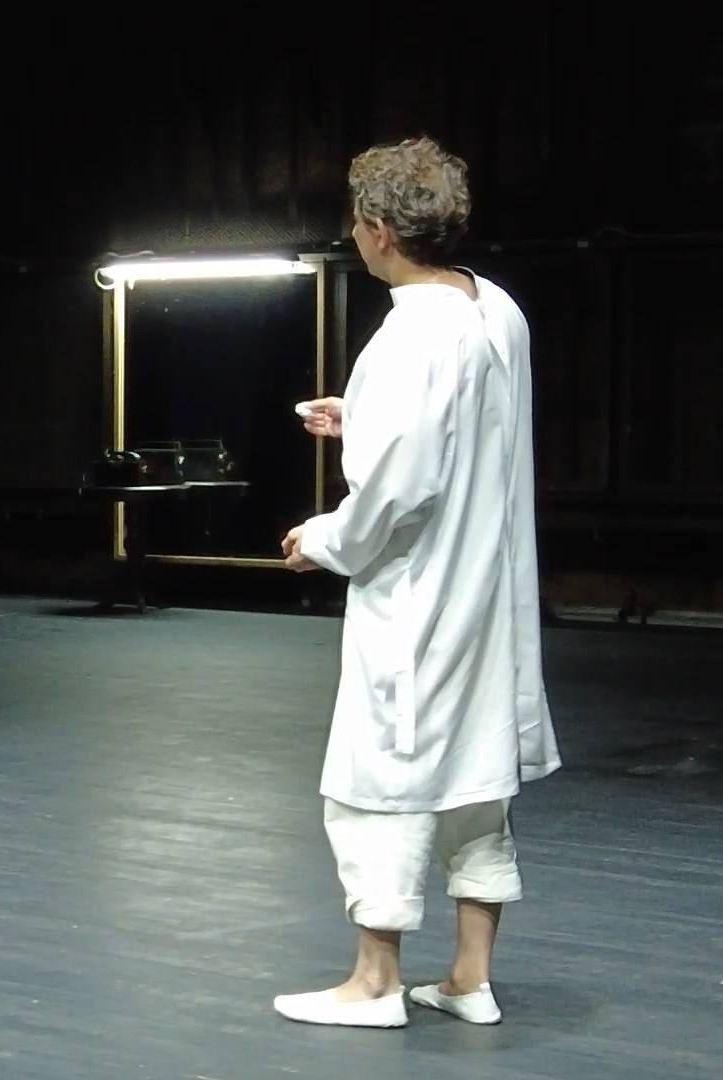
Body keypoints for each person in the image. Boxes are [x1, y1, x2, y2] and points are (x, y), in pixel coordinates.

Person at [275, 136, 561, 1028]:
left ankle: (375, 981)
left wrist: (323, 539)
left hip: (422, 598)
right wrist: (360, 416)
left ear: (380, 229)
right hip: (488, 596)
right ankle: (470, 978)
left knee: (382, 780)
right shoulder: (494, 309)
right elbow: (462, 429)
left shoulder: (408, 334)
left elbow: (398, 490)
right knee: (475, 776)